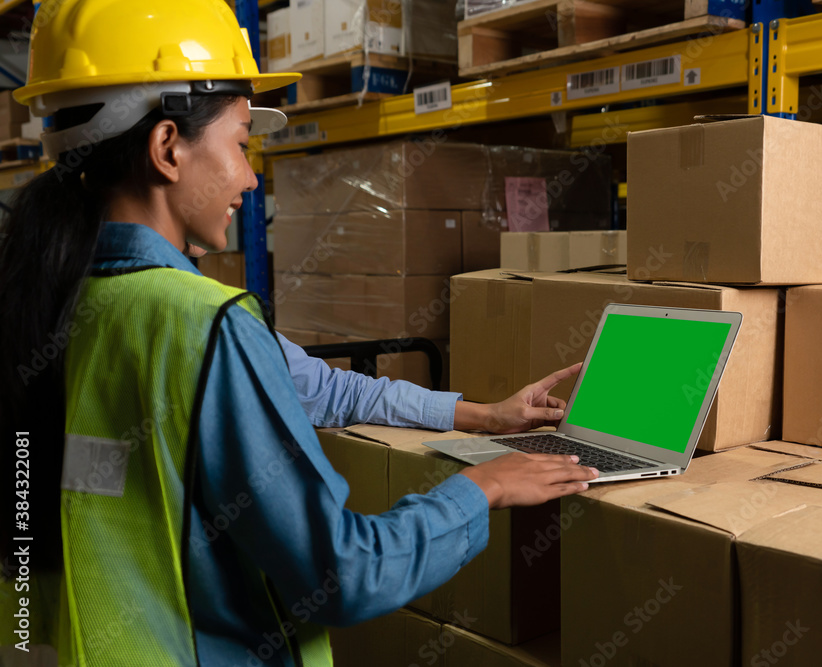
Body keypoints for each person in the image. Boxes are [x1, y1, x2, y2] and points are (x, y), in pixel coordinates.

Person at [0, 1, 597, 664]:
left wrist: (485, 415)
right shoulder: (204, 323)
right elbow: (343, 572)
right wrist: (483, 488)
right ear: (167, 147)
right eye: (240, 145)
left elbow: (315, 386)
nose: (250, 179)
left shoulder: (43, 300)